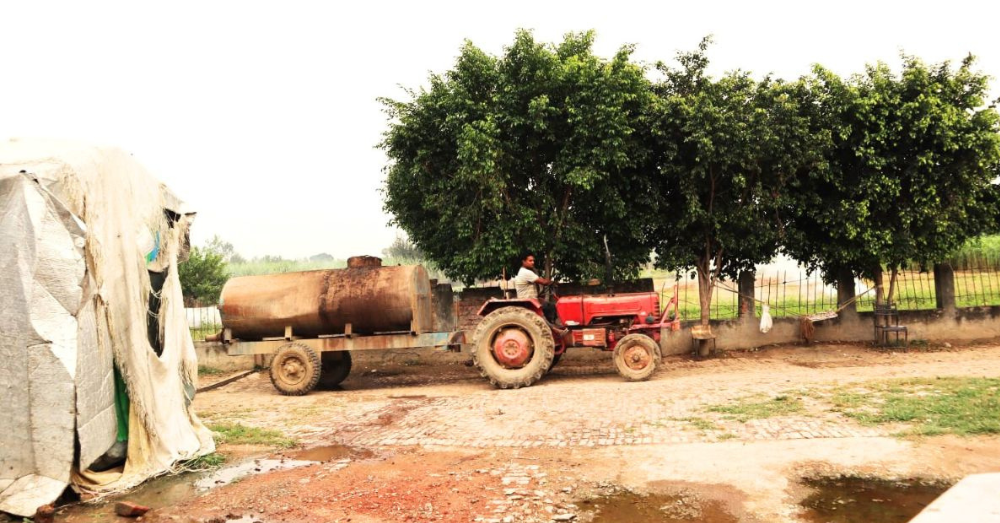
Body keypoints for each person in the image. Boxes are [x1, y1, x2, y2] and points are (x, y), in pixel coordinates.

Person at [513, 253, 562, 327]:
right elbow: (543, 282)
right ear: (523, 262)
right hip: (528, 300)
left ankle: (553, 325)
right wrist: (553, 282)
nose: (533, 262)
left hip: (530, 299)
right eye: (530, 260)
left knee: (549, 305)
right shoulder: (526, 272)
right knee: (549, 308)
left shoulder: (524, 271)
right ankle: (554, 327)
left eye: (533, 260)